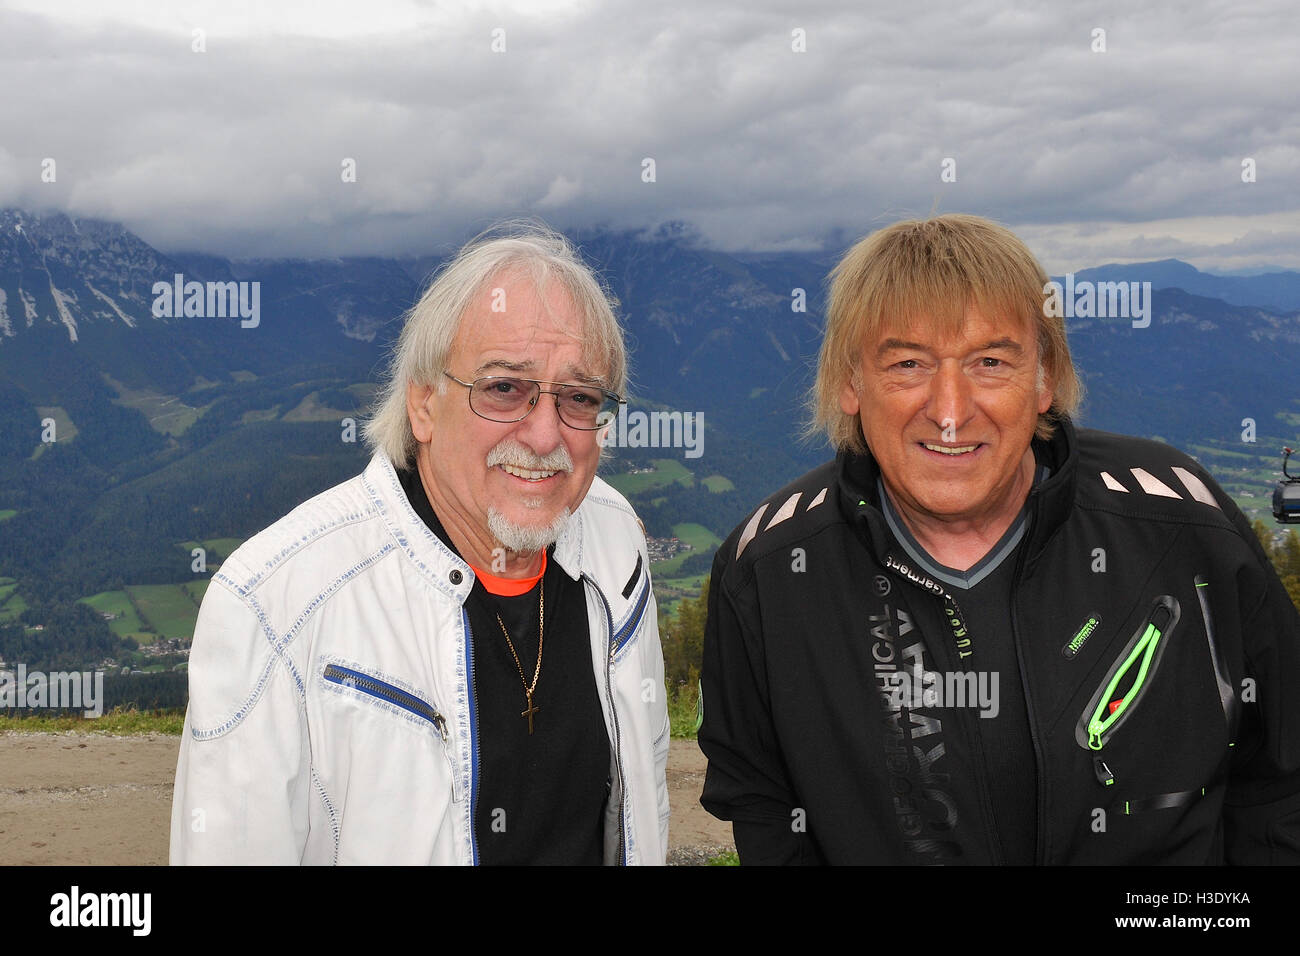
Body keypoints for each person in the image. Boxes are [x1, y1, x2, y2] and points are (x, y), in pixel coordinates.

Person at [698, 214, 1300, 864]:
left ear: (1044, 378)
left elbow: (1282, 777)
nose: (951, 411)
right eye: (907, 363)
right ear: (850, 383)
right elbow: (763, 806)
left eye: (990, 361)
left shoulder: (1182, 527)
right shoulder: (768, 571)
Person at [171, 224, 669, 865]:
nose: (546, 437)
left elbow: (644, 794)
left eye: (578, 397)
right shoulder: (276, 603)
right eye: (504, 388)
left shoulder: (615, 543)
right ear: (424, 405)